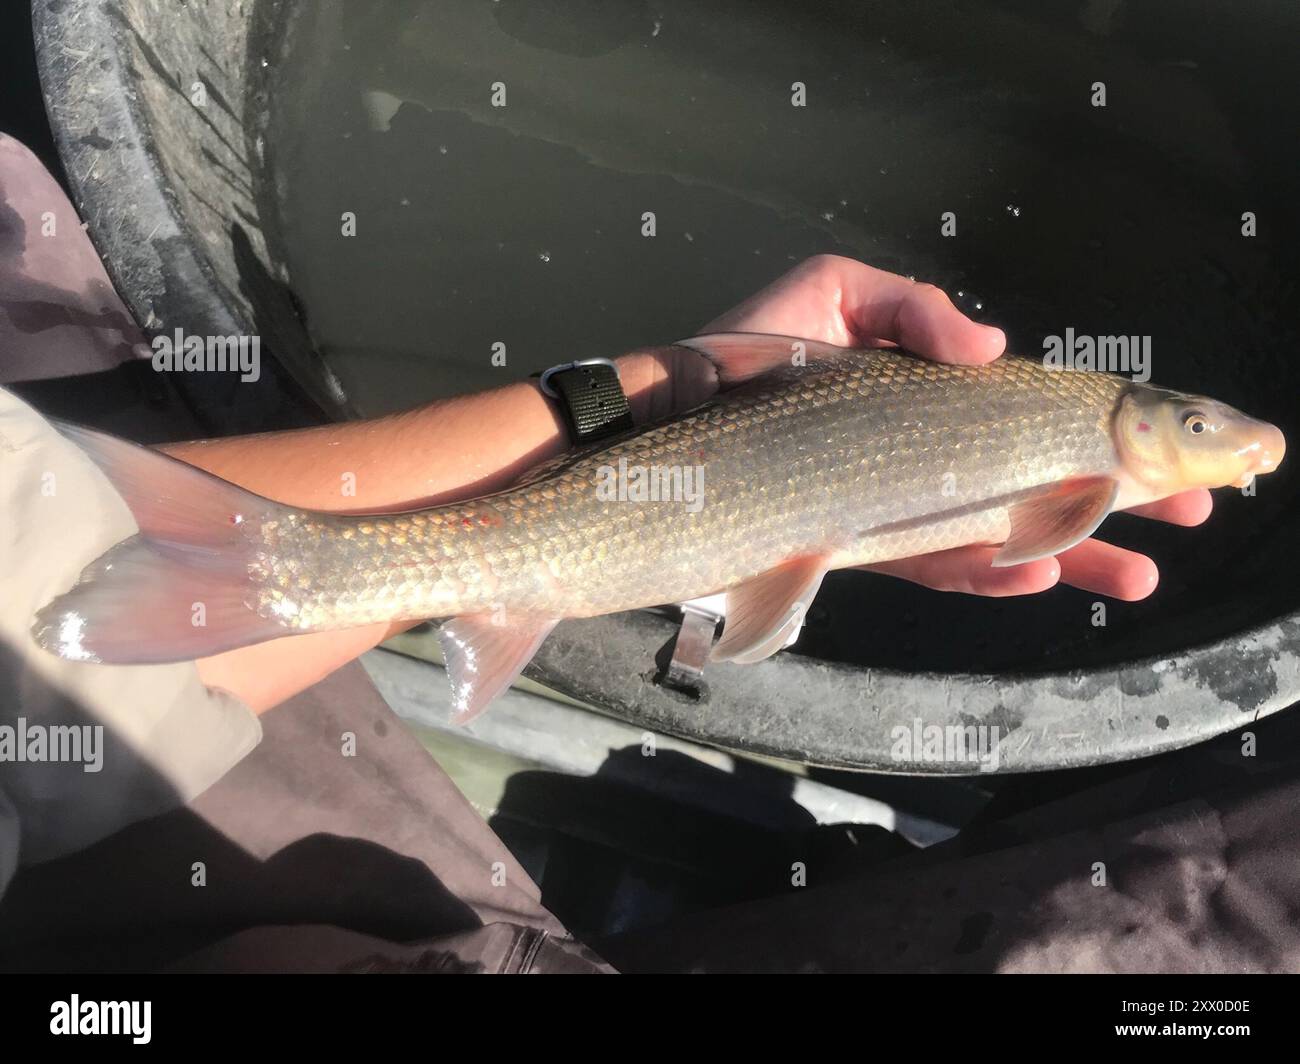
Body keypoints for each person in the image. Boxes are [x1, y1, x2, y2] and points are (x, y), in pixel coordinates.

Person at [8, 132, 1290, 974]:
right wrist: (675, 381)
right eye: (1197, 424)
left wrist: (673, 377)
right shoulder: (1080, 460)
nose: (1225, 440)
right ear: (1139, 426)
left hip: (691, 506)